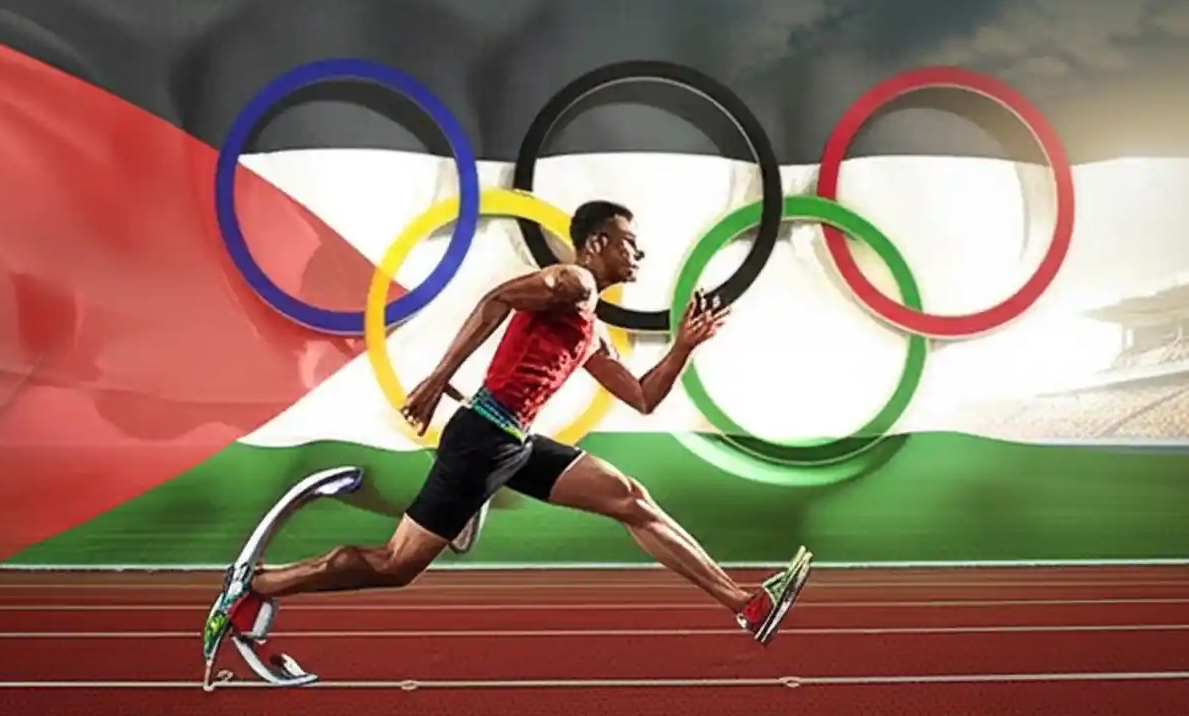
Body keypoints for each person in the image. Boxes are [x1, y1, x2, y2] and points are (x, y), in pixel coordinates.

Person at [207, 201, 810, 646]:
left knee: (630, 499)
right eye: (631, 242)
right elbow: (497, 298)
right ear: (598, 243)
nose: (640, 254)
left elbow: (643, 397)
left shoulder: (592, 325)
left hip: (513, 443)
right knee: (395, 565)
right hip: (483, 438)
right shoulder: (573, 282)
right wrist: (437, 378)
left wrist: (683, 347)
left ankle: (745, 605)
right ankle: (255, 587)